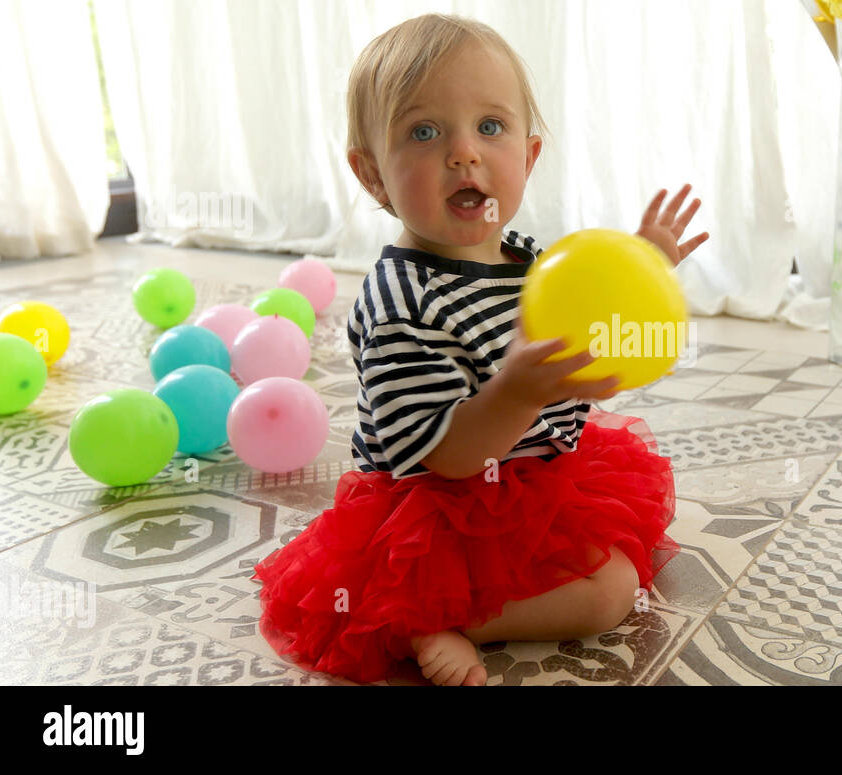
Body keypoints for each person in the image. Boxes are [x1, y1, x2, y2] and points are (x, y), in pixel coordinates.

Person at [253, 13, 710, 686]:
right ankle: (435, 615)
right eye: (424, 132)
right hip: (438, 504)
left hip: (533, 474)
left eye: (489, 127)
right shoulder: (400, 302)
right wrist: (519, 391)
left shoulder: (528, 258)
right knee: (609, 591)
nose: (463, 153)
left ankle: (471, 600)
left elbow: (585, 311)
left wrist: (642, 269)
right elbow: (450, 454)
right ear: (373, 174)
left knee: (617, 555)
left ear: (527, 157)